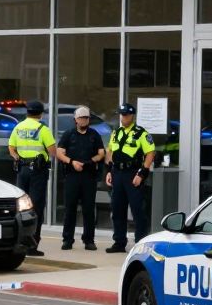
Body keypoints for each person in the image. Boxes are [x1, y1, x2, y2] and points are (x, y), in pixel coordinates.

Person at [105, 103, 156, 253]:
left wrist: (142, 173)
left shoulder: (141, 133)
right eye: (121, 114)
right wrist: (109, 170)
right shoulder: (116, 132)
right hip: (117, 173)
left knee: (138, 210)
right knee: (117, 209)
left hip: (133, 173)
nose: (123, 117)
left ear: (132, 116)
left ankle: (141, 243)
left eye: (126, 115)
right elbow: (110, 151)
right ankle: (119, 242)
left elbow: (150, 153)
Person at [7, 100, 55, 255]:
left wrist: (17, 158)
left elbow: (11, 148)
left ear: (27, 112)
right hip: (38, 172)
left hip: (22, 170)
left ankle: (21, 241)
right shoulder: (43, 129)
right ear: (40, 113)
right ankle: (33, 244)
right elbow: (52, 151)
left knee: (22, 206)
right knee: (36, 207)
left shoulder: (19, 127)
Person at [55, 106, 105, 251]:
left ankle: (89, 240)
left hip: (88, 176)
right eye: (82, 118)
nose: (84, 120)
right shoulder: (68, 134)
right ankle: (67, 239)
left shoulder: (94, 135)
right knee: (70, 208)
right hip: (72, 176)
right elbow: (59, 152)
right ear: (75, 119)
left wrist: (91, 161)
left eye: (87, 118)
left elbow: (101, 153)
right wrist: (72, 162)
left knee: (88, 209)